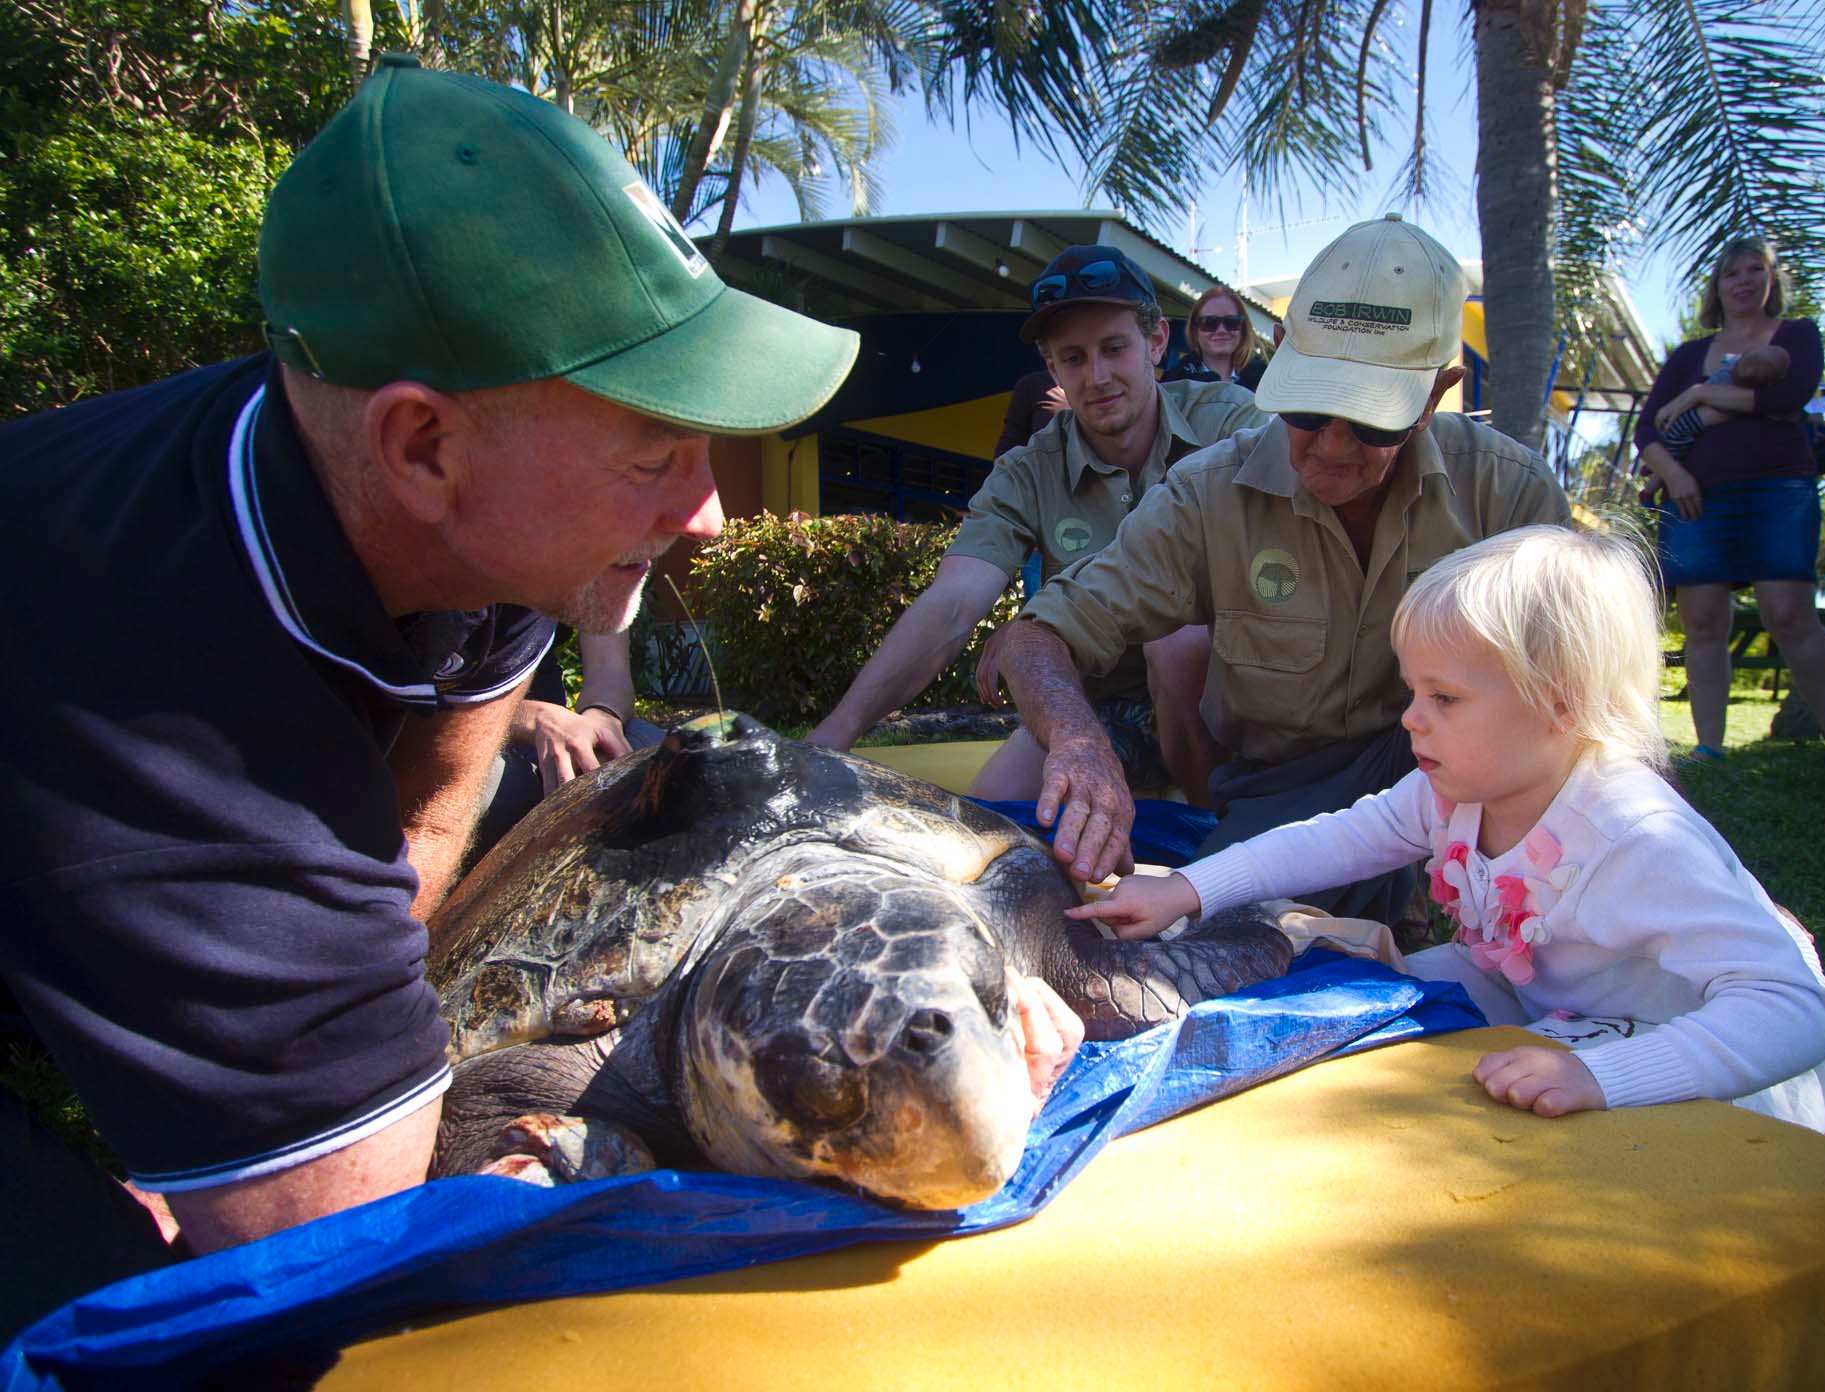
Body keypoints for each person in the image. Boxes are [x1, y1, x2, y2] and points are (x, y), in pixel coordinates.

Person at [0, 59, 1080, 1332]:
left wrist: (362, 1044)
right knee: (175, 1330)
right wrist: (301, 1126)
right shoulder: (165, 684)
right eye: (656, 451)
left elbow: (431, 813)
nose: (709, 513)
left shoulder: (479, 526)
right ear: (422, 445)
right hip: (95, 745)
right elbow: (340, 1234)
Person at [1070, 527, 1825, 1151]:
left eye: (1445, 698)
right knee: (1342, 1006)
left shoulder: (1637, 837)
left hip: (1691, 1048)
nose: (1411, 719)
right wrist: (1188, 888)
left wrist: (1601, 1076)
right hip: (1554, 1002)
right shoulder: (1457, 789)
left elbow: (1792, 1013)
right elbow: (1338, 838)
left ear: (1560, 702)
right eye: (1412, 691)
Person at [982, 214, 1571, 919]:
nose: (1332, 446)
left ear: (1435, 396)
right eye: (1308, 409)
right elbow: (1037, 635)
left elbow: (1576, 701)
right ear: (1283, 357)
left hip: (1462, 773)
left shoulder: (1509, 493)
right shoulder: (1208, 493)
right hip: (1284, 793)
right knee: (1229, 928)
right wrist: (1081, 743)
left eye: (1371, 420)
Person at [807, 246, 1268, 806]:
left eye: (1114, 348)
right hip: (1097, 704)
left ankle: (1219, 823)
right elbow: (950, 605)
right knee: (991, 815)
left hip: (1230, 692)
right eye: (1073, 358)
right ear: (1052, 369)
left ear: (1156, 343)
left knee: (1176, 644)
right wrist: (835, 735)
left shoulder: (1232, 422)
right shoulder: (1028, 471)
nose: (1097, 377)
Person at [1634, 236, 1825, 770]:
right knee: (1701, 621)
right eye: (1732, 273)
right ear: (1717, 287)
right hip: (1696, 497)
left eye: (1754, 270)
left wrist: (1700, 395)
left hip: (1777, 491)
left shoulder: (1797, 336)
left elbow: (1787, 398)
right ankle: (1709, 748)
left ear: (1772, 280)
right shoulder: (1689, 355)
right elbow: (1647, 429)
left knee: (1789, 614)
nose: (1743, 281)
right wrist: (1674, 475)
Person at [469, 629, 667, 865]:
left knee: (664, 761)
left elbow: (609, 669)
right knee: (501, 793)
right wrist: (534, 718)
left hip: (559, 724)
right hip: (475, 733)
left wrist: (600, 718)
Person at [1655, 344, 1792, 460]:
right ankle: (1659, 471)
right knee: (1673, 439)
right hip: (1687, 418)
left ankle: (1658, 474)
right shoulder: (1740, 379)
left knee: (1674, 437)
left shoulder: (1733, 375)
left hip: (1685, 420)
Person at [1161, 285, 1267, 390]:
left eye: (1231, 322)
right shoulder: (1172, 385)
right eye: (1209, 323)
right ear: (1194, 330)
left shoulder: (1266, 381)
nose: (1221, 330)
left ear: (1243, 328)